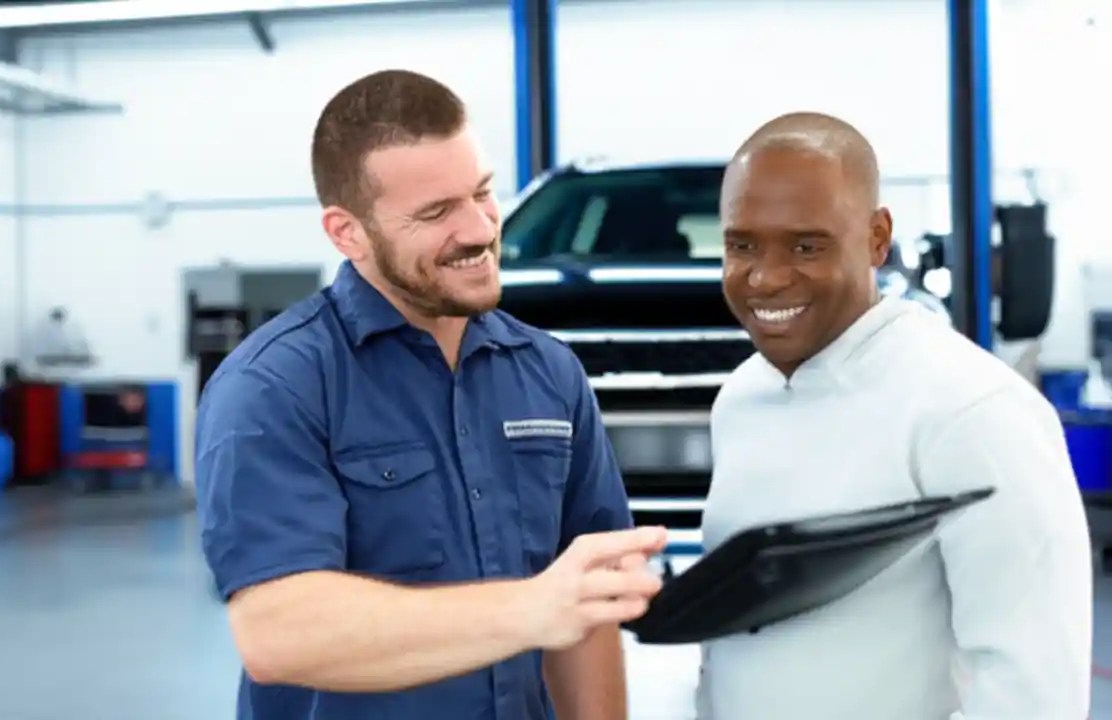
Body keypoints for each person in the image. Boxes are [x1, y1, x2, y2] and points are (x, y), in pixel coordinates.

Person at [193, 68, 669, 720]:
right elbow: (279, 633)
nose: (479, 230)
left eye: (482, 192)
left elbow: (586, 609)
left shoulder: (549, 372)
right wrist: (532, 607)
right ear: (346, 232)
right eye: (436, 212)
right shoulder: (274, 386)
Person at [693, 111, 1094, 719]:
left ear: (878, 237)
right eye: (741, 245)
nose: (765, 278)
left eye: (806, 246)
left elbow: (1033, 694)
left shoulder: (972, 409)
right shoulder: (742, 398)